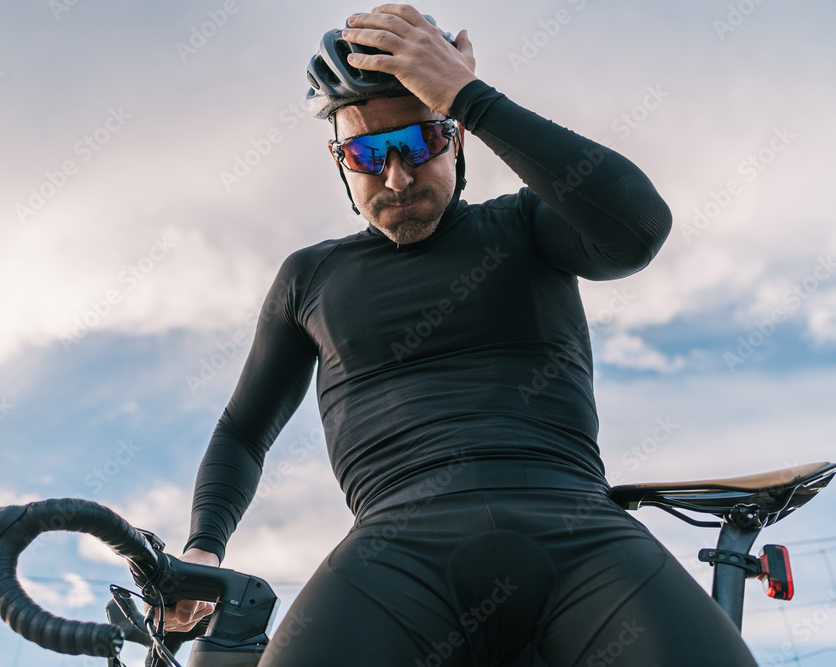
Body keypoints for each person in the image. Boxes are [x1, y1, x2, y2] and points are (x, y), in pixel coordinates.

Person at [164, 5, 759, 665]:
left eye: (420, 142)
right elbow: (244, 430)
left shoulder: (530, 224)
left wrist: (470, 96)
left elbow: (638, 230)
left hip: (576, 530)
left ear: (457, 138)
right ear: (339, 161)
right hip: (396, 550)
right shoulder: (309, 277)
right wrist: (201, 548)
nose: (395, 176)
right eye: (366, 154)